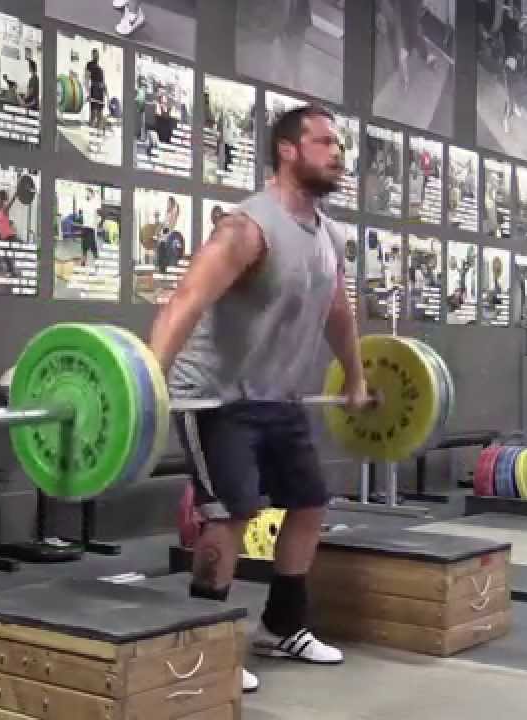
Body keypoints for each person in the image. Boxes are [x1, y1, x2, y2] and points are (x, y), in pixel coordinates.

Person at [148, 105, 372, 694]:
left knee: (309, 502)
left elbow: (337, 309)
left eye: (339, 143)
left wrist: (354, 376)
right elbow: (184, 303)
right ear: (288, 151)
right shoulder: (247, 227)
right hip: (214, 399)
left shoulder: (328, 236)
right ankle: (206, 640)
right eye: (325, 142)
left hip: (280, 395)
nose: (338, 153)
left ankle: (283, 625)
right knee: (232, 515)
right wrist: (149, 381)